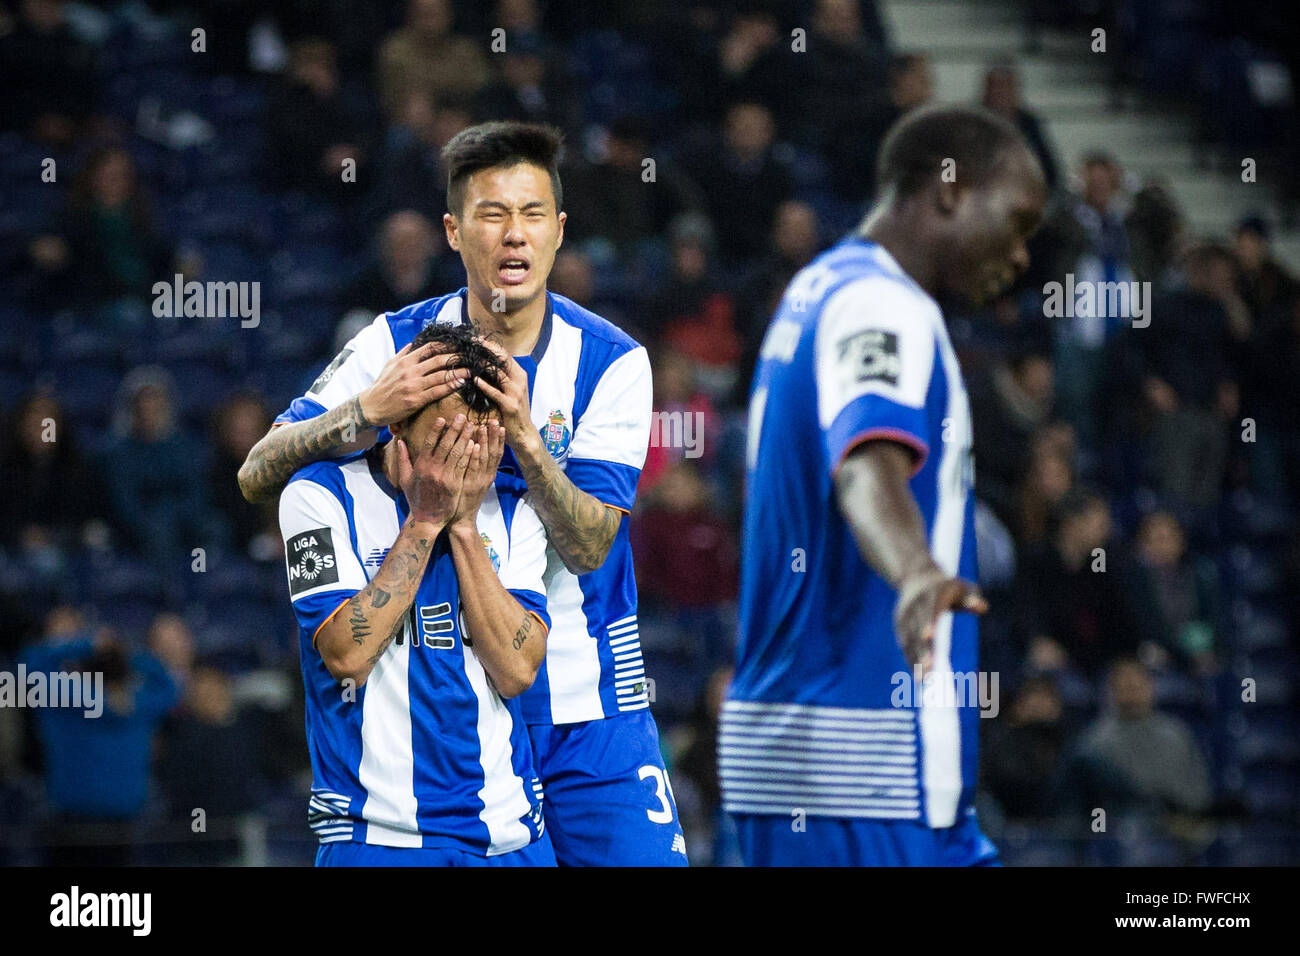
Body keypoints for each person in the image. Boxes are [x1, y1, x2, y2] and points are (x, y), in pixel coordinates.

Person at [241, 121, 686, 866]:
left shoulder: (613, 362)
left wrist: (525, 441)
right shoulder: (396, 344)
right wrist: (366, 411)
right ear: (453, 231)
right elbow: (258, 471)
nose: (514, 236)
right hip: (461, 704)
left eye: (533, 214)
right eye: (492, 214)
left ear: (559, 231)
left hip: (585, 701)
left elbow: (589, 546)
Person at [721, 104, 1046, 866]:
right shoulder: (882, 303)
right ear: (949, 190)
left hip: (847, 762)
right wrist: (915, 571)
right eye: (1019, 220)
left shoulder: (819, 289)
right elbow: (868, 464)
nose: (1023, 254)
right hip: (858, 759)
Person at [280, 322, 552, 865]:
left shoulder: (515, 510)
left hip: (509, 837)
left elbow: (518, 669)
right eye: (446, 439)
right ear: (399, 422)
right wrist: (426, 520)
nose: (463, 462)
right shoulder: (316, 497)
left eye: (480, 441)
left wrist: (466, 529)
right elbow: (345, 655)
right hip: (376, 837)